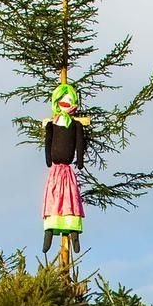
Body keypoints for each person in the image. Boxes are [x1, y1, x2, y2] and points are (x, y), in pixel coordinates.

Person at [42, 79, 89, 263]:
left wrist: (80, 159)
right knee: (53, 200)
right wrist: (48, 158)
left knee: (71, 200)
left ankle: (74, 233)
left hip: (67, 171)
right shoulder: (51, 125)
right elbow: (48, 142)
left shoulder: (75, 125)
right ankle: (48, 232)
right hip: (55, 171)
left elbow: (79, 143)